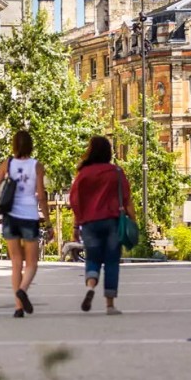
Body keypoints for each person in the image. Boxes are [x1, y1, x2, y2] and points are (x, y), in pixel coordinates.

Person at [69, 135, 133, 315]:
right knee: (112, 261)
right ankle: (110, 305)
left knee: (92, 258)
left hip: (89, 223)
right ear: (109, 152)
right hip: (112, 221)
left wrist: (76, 226)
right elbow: (127, 199)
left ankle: (91, 286)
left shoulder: (83, 174)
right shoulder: (116, 172)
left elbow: (75, 201)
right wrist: (133, 222)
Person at [0, 130, 47, 317]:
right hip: (30, 216)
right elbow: (41, 196)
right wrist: (48, 220)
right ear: (31, 145)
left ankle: (18, 307)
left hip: (10, 216)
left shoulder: (7, 164)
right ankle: (23, 290)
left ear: (14, 145)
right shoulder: (37, 166)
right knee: (32, 263)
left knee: (16, 263)